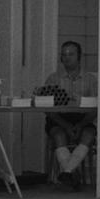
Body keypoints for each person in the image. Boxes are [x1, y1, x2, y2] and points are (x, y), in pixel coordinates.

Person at [40, 41, 96, 189]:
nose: (67, 57)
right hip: (58, 119)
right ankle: (71, 172)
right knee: (59, 135)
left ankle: (67, 172)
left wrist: (81, 124)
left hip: (83, 119)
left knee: (89, 134)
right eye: (64, 54)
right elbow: (47, 108)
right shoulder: (53, 79)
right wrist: (65, 125)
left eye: (71, 54)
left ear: (79, 56)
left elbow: (96, 108)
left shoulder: (90, 80)